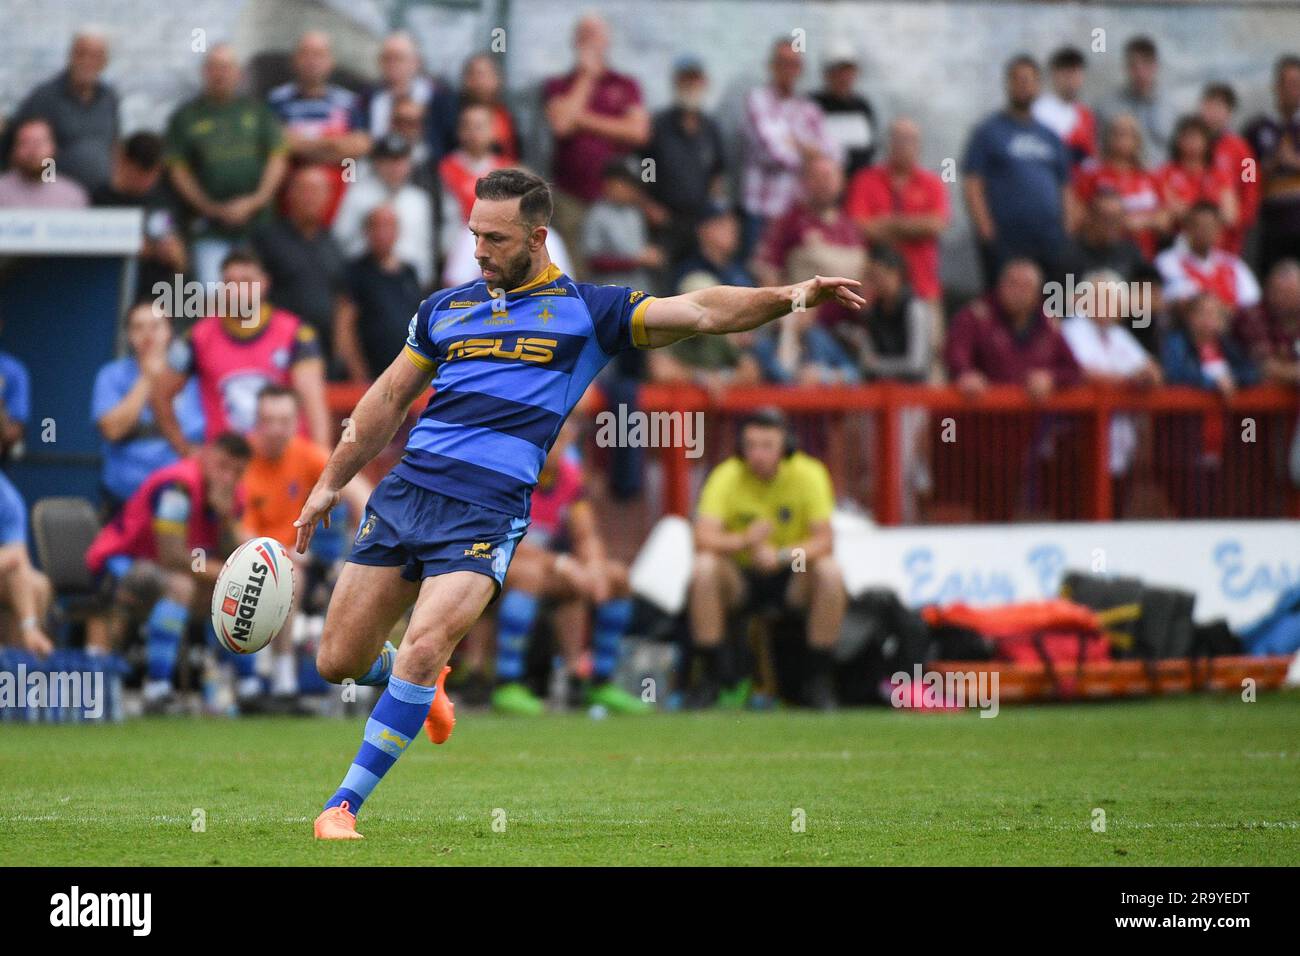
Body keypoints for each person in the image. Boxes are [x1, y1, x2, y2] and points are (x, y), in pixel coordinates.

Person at [292, 167, 864, 839]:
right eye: (474, 234)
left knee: (423, 644)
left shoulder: (590, 311)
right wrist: (332, 479)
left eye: (496, 239)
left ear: (537, 238)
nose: (479, 251)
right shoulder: (444, 308)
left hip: (486, 511)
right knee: (338, 662)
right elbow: (387, 399)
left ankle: (342, 806)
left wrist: (792, 296)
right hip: (407, 496)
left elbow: (703, 311)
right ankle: (419, 690)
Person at [688, 408, 845, 710]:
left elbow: (825, 541)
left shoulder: (809, 474)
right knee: (704, 567)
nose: (757, 455)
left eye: (767, 446)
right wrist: (744, 541)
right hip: (741, 574)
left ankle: (818, 680)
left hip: (791, 571)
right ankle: (709, 677)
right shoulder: (726, 475)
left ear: (785, 447)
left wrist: (782, 556)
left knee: (829, 571)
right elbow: (702, 537)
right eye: (750, 446)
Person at [488, 423, 648, 716]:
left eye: (562, 438)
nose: (556, 445)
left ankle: (594, 680)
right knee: (530, 575)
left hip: (545, 565)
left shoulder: (570, 477)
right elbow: (504, 539)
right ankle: (506, 682)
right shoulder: (510, 473)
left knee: (617, 577)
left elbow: (586, 534)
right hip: (491, 561)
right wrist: (562, 564)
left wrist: (595, 567)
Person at [84, 433, 251, 708]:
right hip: (119, 559)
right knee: (181, 586)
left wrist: (225, 518)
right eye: (223, 466)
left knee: (238, 592)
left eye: (237, 471)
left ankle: (246, 684)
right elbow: (171, 556)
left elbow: (232, 552)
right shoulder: (178, 486)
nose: (228, 477)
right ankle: (156, 686)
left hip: (172, 568)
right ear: (206, 456)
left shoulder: (233, 494)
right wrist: (226, 573)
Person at [243, 385, 370, 701]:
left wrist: (373, 527)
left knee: (363, 575)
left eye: (283, 421)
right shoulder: (241, 459)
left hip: (307, 560)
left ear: (295, 421)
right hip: (250, 560)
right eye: (268, 420)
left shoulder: (306, 454)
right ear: (256, 422)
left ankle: (363, 677)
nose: (275, 429)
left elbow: (357, 490)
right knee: (288, 575)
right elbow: (238, 531)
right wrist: (277, 552)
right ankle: (282, 678)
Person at [152, 250, 331, 451]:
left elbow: (314, 407)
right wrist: (186, 451)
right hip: (228, 467)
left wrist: (320, 468)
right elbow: (160, 394)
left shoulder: (297, 335)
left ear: (264, 283)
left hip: (285, 462)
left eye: (246, 282)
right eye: (230, 283)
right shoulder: (197, 337)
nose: (237, 290)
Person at [165, 44, 288, 285]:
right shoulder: (186, 117)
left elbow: (278, 158)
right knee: (213, 300)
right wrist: (211, 208)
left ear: (238, 73)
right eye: (214, 68)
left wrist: (256, 201)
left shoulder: (259, 112)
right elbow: (178, 170)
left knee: (253, 299)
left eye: (226, 67)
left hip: (257, 226)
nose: (220, 73)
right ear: (204, 72)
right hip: (209, 228)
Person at [542, 13, 651, 277]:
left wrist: (580, 118)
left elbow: (638, 132)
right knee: (573, 272)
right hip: (571, 198)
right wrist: (587, 78)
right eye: (583, 35)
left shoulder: (625, 85)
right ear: (574, 42)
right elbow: (561, 126)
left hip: (616, 201)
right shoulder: (558, 84)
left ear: (608, 41)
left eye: (595, 35)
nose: (589, 42)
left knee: (619, 273)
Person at [962, 55, 1070, 287]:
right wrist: (985, 228)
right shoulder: (987, 132)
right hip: (1005, 238)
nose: (1023, 85)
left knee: (1048, 307)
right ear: (1008, 83)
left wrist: (1066, 232)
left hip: (1048, 239)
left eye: (1029, 80)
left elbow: (1065, 187)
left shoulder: (1050, 136)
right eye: (1018, 79)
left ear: (1038, 85)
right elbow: (973, 183)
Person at [92, 303, 205, 514]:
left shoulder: (193, 379)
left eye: (155, 326)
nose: (147, 334)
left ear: (170, 332)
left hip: (180, 497)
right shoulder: (112, 375)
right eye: (138, 327)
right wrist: (147, 379)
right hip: (124, 500)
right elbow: (112, 430)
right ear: (128, 335)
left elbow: (201, 438)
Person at [740, 38, 838, 257]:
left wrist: (795, 144)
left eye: (794, 64)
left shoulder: (808, 108)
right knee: (760, 280)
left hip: (798, 212)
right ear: (771, 66)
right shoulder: (758, 100)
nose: (788, 69)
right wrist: (810, 153)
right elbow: (773, 153)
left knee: (795, 282)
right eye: (783, 62)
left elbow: (834, 154)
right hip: (764, 211)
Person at [1061, 269, 1162, 480]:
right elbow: (1084, 373)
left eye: (1114, 300)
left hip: (1120, 440)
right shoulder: (1071, 329)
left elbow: (1152, 370)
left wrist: (1146, 376)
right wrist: (1130, 381)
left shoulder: (1119, 334)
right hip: (1078, 438)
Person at [267, 31, 371, 225]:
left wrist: (300, 148)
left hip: (339, 210)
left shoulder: (348, 102)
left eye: (319, 54)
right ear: (295, 60)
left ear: (330, 61)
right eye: (306, 54)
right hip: (287, 211)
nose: (312, 61)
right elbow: (274, 143)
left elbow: (359, 146)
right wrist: (333, 147)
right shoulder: (277, 100)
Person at [844, 117, 950, 303]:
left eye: (910, 140)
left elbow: (936, 225)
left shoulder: (933, 184)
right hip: (874, 291)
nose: (904, 146)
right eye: (899, 139)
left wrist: (886, 223)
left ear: (919, 145)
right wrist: (914, 227)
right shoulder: (865, 180)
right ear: (888, 143)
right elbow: (858, 227)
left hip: (922, 287)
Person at [945, 258, 1083, 399]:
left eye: (1026, 287)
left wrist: (1051, 378)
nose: (1018, 293)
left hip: (1031, 416)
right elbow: (956, 354)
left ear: (1037, 295)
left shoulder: (1048, 325)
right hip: (982, 412)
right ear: (999, 286)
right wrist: (965, 374)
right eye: (1012, 284)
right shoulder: (976, 317)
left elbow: (1073, 370)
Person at [252, 165, 351, 359]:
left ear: (329, 197)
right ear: (290, 194)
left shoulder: (334, 243)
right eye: (305, 190)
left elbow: (343, 302)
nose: (311, 197)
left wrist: (342, 351)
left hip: (325, 351)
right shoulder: (267, 239)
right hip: (279, 349)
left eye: (317, 191)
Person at [2, 30, 118, 193]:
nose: (87, 61)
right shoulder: (45, 97)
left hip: (100, 195)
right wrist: (48, 184)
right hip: (57, 198)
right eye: (81, 53)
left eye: (95, 56)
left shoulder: (109, 97)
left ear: (104, 61)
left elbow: (112, 144)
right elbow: (28, 145)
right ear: (70, 56)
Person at [644, 55, 728, 267]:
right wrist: (649, 203)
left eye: (695, 79)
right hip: (666, 221)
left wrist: (716, 216)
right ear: (676, 82)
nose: (691, 85)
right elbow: (646, 164)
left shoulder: (710, 129)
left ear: (704, 82)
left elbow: (717, 175)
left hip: (700, 222)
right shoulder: (660, 126)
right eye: (685, 79)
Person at [92, 132, 187, 306]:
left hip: (158, 297)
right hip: (110, 296)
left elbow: (180, 259)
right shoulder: (101, 200)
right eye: (141, 173)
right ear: (124, 162)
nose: (148, 180)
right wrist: (133, 246)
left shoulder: (163, 200)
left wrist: (171, 252)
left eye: (154, 173)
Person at [331, 132, 435, 290]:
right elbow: (340, 239)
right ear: (376, 163)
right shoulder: (358, 195)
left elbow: (424, 248)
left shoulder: (419, 200)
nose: (395, 168)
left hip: (410, 283)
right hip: (368, 281)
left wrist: (425, 282)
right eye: (388, 161)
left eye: (400, 160)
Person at [337, 205, 425, 383]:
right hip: (370, 374)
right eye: (377, 226)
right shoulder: (355, 272)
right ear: (366, 231)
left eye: (389, 226)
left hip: (407, 373)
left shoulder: (410, 272)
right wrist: (358, 374)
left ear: (398, 232)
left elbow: (420, 322)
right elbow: (344, 328)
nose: (383, 233)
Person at [1071, 113, 1165, 262]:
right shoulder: (1092, 174)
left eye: (1129, 134)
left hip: (1145, 256)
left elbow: (1164, 218)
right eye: (1118, 133)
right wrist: (1122, 223)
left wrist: (1143, 222)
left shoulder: (1149, 176)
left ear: (1138, 140)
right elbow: (1079, 216)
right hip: (1105, 255)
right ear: (1108, 137)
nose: (1123, 139)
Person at [1244, 55, 1300, 278]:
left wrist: (1294, 162)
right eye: (1289, 83)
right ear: (1276, 86)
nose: (1294, 90)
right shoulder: (1257, 128)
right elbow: (1245, 172)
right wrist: (1267, 166)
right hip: (1272, 225)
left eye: (1298, 84)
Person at [1155, 201, 1261, 311]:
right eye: (1199, 226)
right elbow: (1177, 301)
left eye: (1210, 226)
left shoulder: (1234, 265)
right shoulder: (1167, 262)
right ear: (1187, 228)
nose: (1205, 231)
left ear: (1220, 230)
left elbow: (1252, 302)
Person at [1156, 115, 1238, 243]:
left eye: (1197, 136)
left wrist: (1189, 211)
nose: (1192, 141)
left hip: (1218, 243)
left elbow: (1230, 216)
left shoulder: (1219, 174)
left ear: (1207, 142)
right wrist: (1209, 216)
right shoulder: (1166, 172)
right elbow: (1170, 209)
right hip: (1179, 240)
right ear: (1178, 140)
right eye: (1187, 136)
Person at [1096, 36, 1175, 165]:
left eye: (1146, 64)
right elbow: (1098, 150)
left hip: (1160, 179)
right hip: (1121, 179)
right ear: (1126, 68)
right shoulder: (1108, 106)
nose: (1140, 72)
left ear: (1155, 66)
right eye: (1134, 66)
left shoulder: (1171, 108)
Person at [1200, 84, 1258, 256]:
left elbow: (1251, 185)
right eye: (1210, 105)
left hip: (1231, 236)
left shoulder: (1243, 150)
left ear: (1229, 112)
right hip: (1197, 228)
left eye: (1220, 107)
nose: (1213, 112)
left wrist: (1241, 221)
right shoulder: (1191, 145)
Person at [0, 471, 54, 657]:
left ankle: (17, 667)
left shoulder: (6, 496)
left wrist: (28, 626)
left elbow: (16, 556)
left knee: (37, 585)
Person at [811, 40, 878, 176]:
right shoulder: (813, 105)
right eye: (837, 71)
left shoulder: (862, 107)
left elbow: (871, 147)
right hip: (824, 183)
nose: (843, 77)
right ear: (826, 74)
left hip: (858, 182)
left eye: (848, 71)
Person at [438, 104, 510, 224]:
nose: (473, 132)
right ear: (459, 131)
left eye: (479, 126)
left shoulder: (506, 170)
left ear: (493, 131)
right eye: (467, 126)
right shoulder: (445, 168)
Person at [0, 117, 89, 208]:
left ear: (54, 147)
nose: (33, 150)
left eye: (40, 142)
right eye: (26, 142)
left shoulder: (73, 195)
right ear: (13, 149)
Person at [1032, 46, 1097, 168]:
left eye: (1075, 72)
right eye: (1066, 73)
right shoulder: (1038, 110)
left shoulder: (1086, 115)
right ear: (1054, 74)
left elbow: (1089, 158)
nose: (1070, 79)